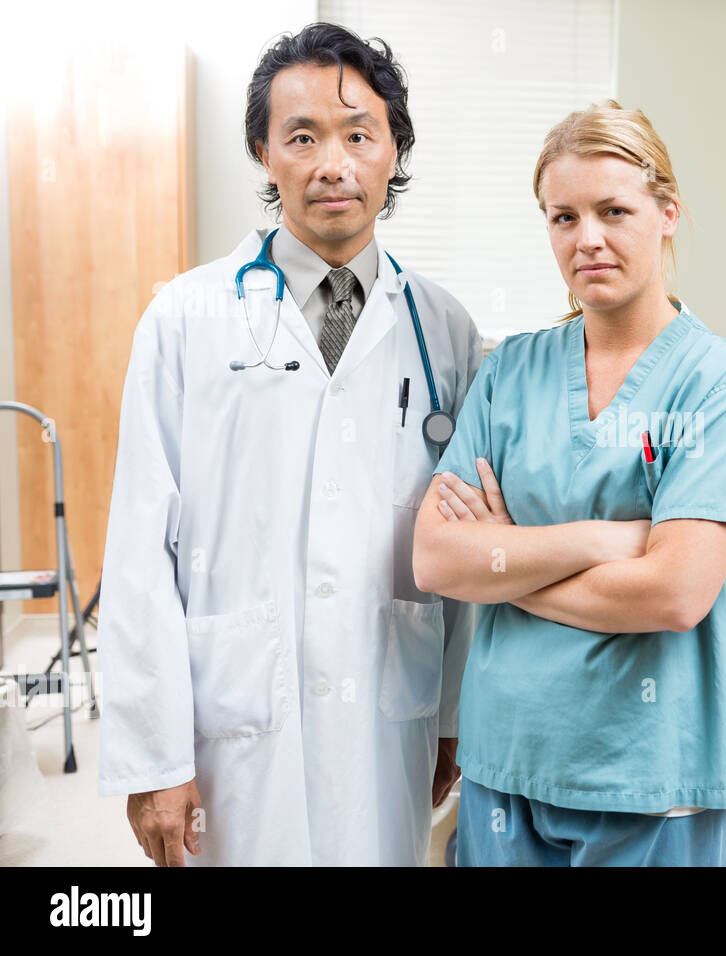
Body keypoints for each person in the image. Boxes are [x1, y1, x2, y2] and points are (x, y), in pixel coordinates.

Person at [96, 23, 482, 866]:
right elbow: (136, 550)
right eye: (301, 136)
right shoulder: (186, 318)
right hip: (232, 728)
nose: (330, 163)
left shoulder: (444, 330)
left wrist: (454, 716)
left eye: (357, 134)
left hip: (393, 714)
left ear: (393, 151)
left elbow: (460, 540)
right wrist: (154, 754)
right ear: (265, 154)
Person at [412, 101, 726, 867]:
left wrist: (505, 563)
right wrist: (599, 542)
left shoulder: (720, 385)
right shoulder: (509, 371)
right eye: (563, 217)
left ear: (667, 212)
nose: (588, 240)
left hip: (650, 776)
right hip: (507, 764)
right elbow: (437, 560)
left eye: (614, 211)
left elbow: (673, 596)